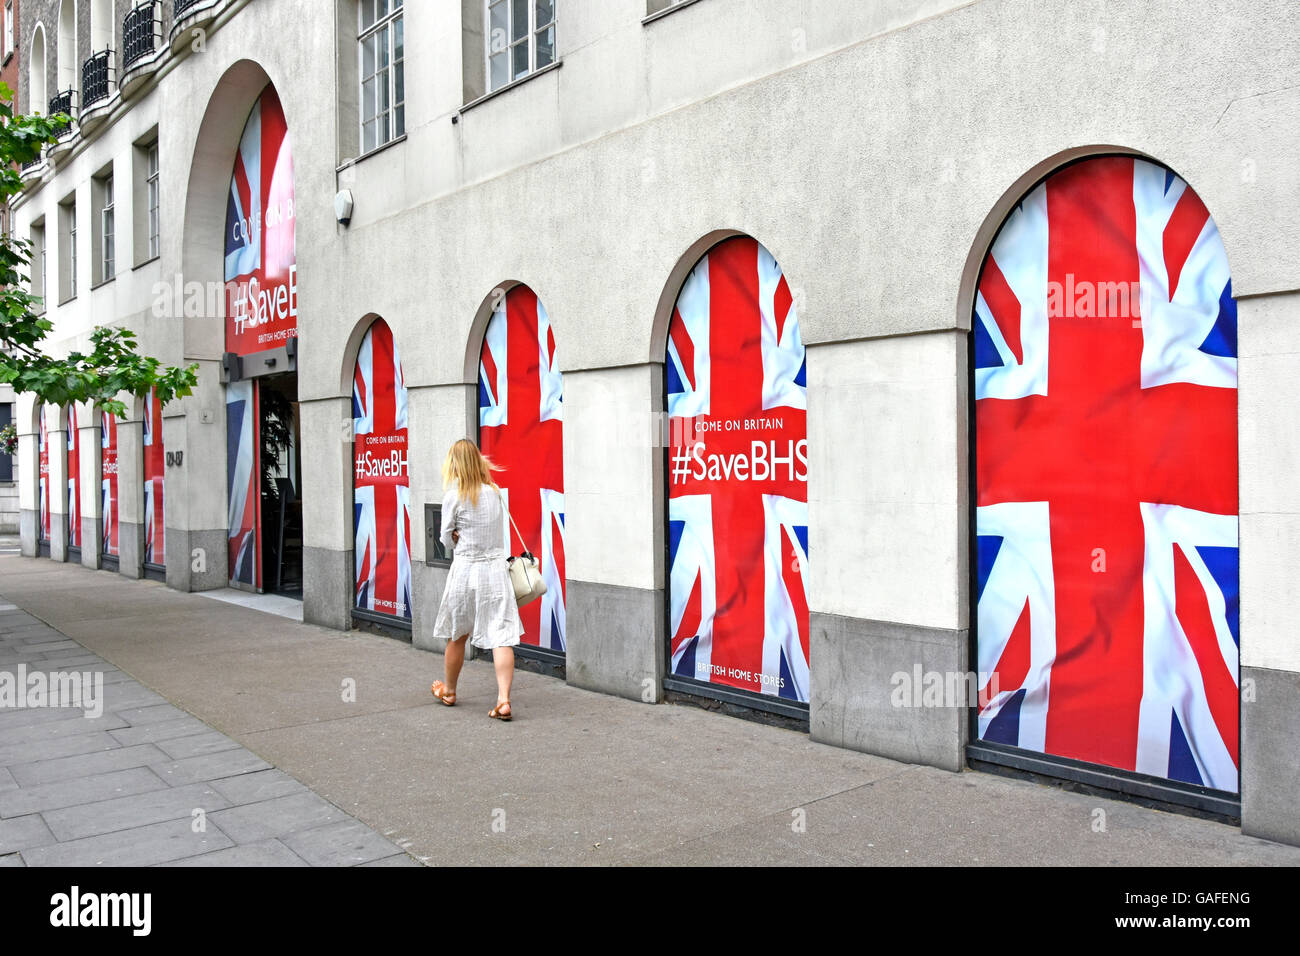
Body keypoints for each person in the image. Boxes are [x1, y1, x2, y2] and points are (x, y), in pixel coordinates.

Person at [430, 438, 522, 720]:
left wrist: (457, 536)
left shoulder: (454, 495)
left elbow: (445, 538)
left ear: (454, 464)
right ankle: (503, 700)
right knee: (502, 635)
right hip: (494, 572)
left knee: (458, 633)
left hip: (466, 571)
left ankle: (449, 690)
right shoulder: (495, 493)